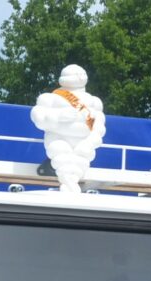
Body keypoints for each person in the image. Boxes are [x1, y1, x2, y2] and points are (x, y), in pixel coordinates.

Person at [30, 65, 106, 194]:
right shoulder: (49, 98)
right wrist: (59, 116)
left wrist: (91, 142)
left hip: (84, 145)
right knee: (61, 155)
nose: (79, 76)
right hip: (58, 140)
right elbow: (38, 116)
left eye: (81, 74)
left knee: (77, 162)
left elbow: (99, 127)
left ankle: (71, 182)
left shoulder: (94, 102)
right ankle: (69, 182)